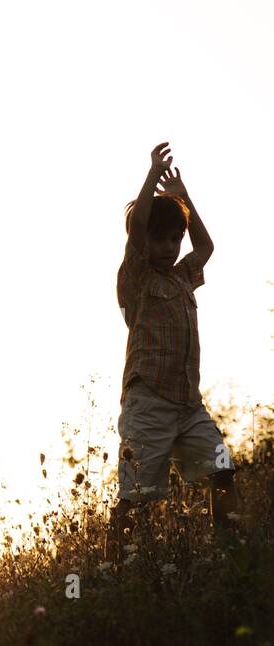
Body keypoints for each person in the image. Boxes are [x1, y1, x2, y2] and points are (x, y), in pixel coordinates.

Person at [106, 141, 239, 562]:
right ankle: (110, 571)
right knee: (136, 496)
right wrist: (151, 177)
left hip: (188, 405)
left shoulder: (183, 277)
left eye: (173, 238)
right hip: (149, 404)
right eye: (159, 239)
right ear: (144, 243)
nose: (168, 246)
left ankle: (229, 554)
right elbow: (138, 225)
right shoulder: (138, 277)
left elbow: (206, 247)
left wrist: (183, 198)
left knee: (223, 468)